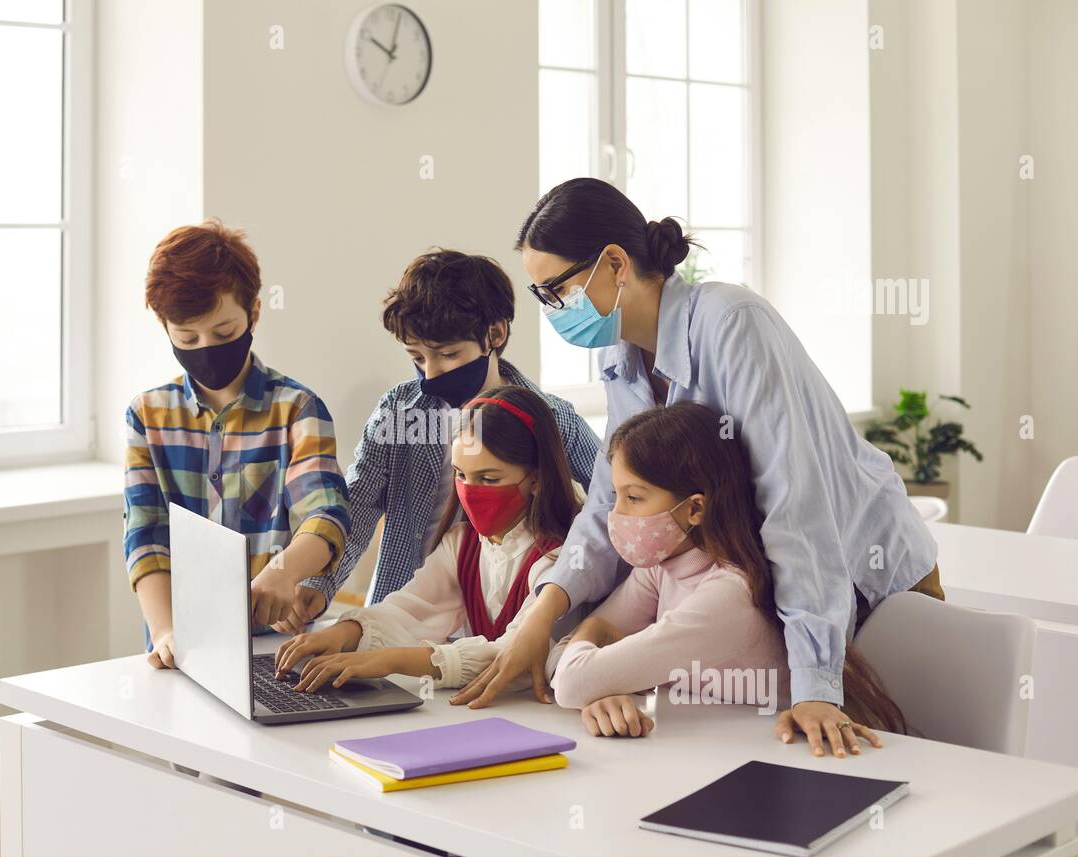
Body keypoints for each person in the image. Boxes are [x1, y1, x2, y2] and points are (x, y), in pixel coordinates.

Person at [455, 177, 941, 760]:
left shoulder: (732, 324)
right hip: (764, 588)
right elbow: (611, 500)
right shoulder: (622, 355)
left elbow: (795, 504)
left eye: (556, 291)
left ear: (614, 264)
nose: (555, 313)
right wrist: (547, 608)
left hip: (863, 577)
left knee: (901, 761)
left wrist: (818, 683)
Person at [277, 249, 600, 634]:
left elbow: (606, 505)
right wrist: (320, 580)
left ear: (494, 334)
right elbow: (359, 504)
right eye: (417, 357)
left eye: (448, 355)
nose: (431, 374)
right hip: (401, 616)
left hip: (508, 624)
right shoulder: (399, 410)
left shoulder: (552, 417)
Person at [549, 403, 904, 748]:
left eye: (635, 498)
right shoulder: (662, 570)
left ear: (695, 508)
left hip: (782, 763)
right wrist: (605, 688)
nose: (617, 514)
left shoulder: (730, 595)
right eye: (617, 496)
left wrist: (597, 674)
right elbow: (564, 661)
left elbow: (571, 681)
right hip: (708, 754)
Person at [123, 219, 351, 668]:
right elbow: (145, 536)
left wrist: (283, 573)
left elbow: (325, 515)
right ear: (164, 326)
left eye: (224, 333)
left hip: (273, 651)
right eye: (187, 338)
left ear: (254, 313)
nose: (206, 348)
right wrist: (166, 630)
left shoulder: (297, 410)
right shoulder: (146, 415)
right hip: (177, 650)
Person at [273, 386, 581, 693]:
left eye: (489, 479)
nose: (470, 491)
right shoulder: (463, 543)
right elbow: (411, 609)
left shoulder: (561, 560)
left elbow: (512, 655)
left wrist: (389, 661)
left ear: (537, 478)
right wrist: (345, 631)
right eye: (461, 475)